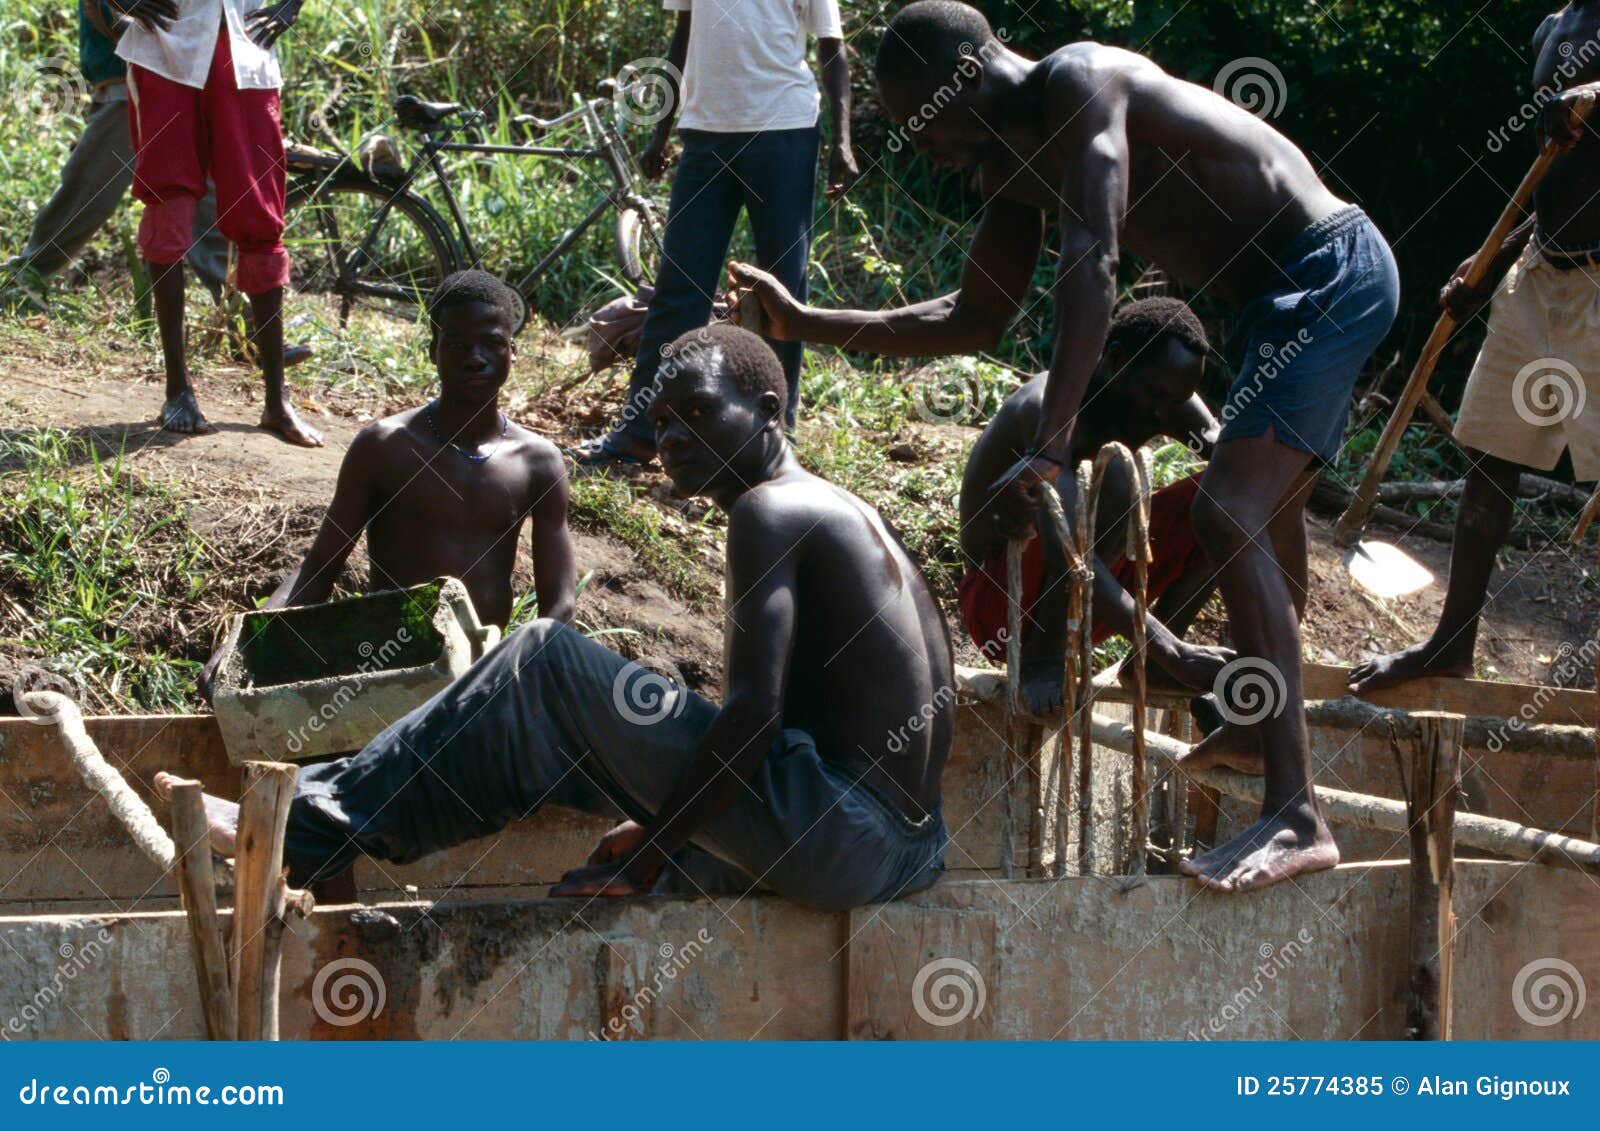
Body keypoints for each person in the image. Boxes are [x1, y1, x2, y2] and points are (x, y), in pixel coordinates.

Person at [731, 1, 1400, 892]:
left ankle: (1297, 812)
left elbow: (1096, 260)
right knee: (1258, 510)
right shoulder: (1013, 171)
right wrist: (807, 320)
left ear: (965, 76)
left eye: (918, 116)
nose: (919, 145)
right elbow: (971, 316)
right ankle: (1254, 716)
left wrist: (1052, 446)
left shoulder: (1083, 84)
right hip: (1273, 300)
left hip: (1327, 267)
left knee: (1226, 508)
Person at [163, 324, 954, 911]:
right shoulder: (837, 507)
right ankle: (327, 824)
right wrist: (663, 834)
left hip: (848, 834)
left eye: (699, 413)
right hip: (907, 848)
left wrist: (654, 854)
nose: (673, 439)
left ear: (768, 408)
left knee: (544, 656)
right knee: (567, 716)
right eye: (663, 422)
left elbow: (752, 716)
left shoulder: (770, 512)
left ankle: (300, 823)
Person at [1350, 4, 1600, 694]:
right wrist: (1491, 259)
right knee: (1492, 458)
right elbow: (1555, 175)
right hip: (1541, 270)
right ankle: (1451, 644)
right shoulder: (1553, 28)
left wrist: (1590, 100)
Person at [201, 271, 575, 693]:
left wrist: (514, 678)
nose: (475, 357)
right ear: (432, 351)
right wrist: (245, 645)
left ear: (513, 350)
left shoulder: (538, 463)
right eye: (456, 345)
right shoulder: (386, 447)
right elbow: (319, 570)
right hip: (389, 671)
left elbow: (558, 606)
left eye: (491, 342)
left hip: (482, 674)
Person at [572, 0, 859, 470]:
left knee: (782, 292)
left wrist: (843, 141)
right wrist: (660, 132)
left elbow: (832, 49)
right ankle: (641, 433)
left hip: (784, 132)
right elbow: (682, 38)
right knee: (678, 289)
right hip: (704, 133)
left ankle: (773, 441)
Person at [957, 298, 1231, 713]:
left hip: (1089, 595)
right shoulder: (1046, 408)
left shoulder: (1168, 394)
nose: (1163, 414)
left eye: (1178, 400)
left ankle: (1150, 666)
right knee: (1114, 478)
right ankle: (1042, 662)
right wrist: (1171, 648)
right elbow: (1066, 550)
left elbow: (1227, 453)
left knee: (1230, 495)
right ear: (1116, 361)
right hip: (1006, 608)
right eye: (1155, 395)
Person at [1, 2, 309, 367]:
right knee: (92, 188)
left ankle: (247, 327)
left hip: (199, 59)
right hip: (136, 59)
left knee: (202, 202)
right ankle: (23, 279)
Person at [109, 0, 320, 444]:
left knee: (259, 214)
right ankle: (177, 389)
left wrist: (293, 6)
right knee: (168, 203)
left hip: (248, 51)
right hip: (166, 47)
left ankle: (276, 400)